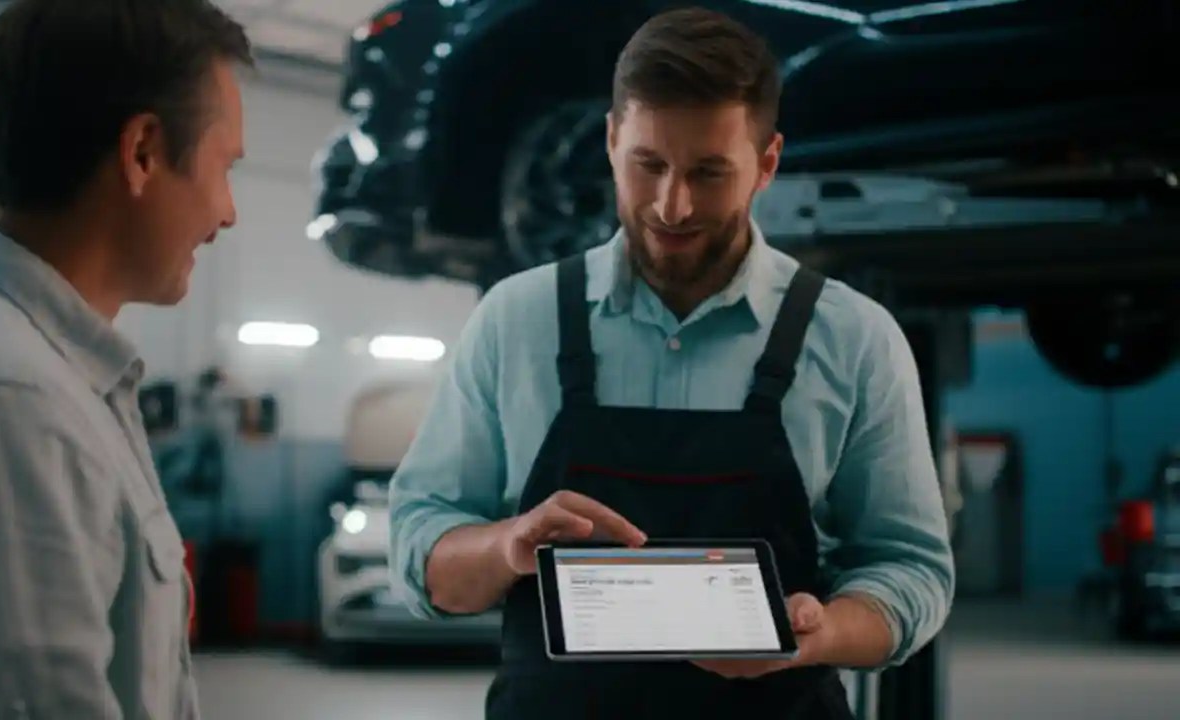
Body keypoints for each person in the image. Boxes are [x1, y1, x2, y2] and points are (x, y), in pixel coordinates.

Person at [388, 7, 954, 718]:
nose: (672, 205)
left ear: (767, 163)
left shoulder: (853, 338)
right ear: (610, 140)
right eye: (647, 165)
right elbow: (420, 549)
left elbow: (912, 570)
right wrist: (506, 546)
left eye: (709, 172)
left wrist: (821, 632)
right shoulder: (515, 320)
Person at [0, 1, 251, 717]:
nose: (228, 211)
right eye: (224, 168)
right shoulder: (3, 400)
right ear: (144, 152)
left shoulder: (43, 373)